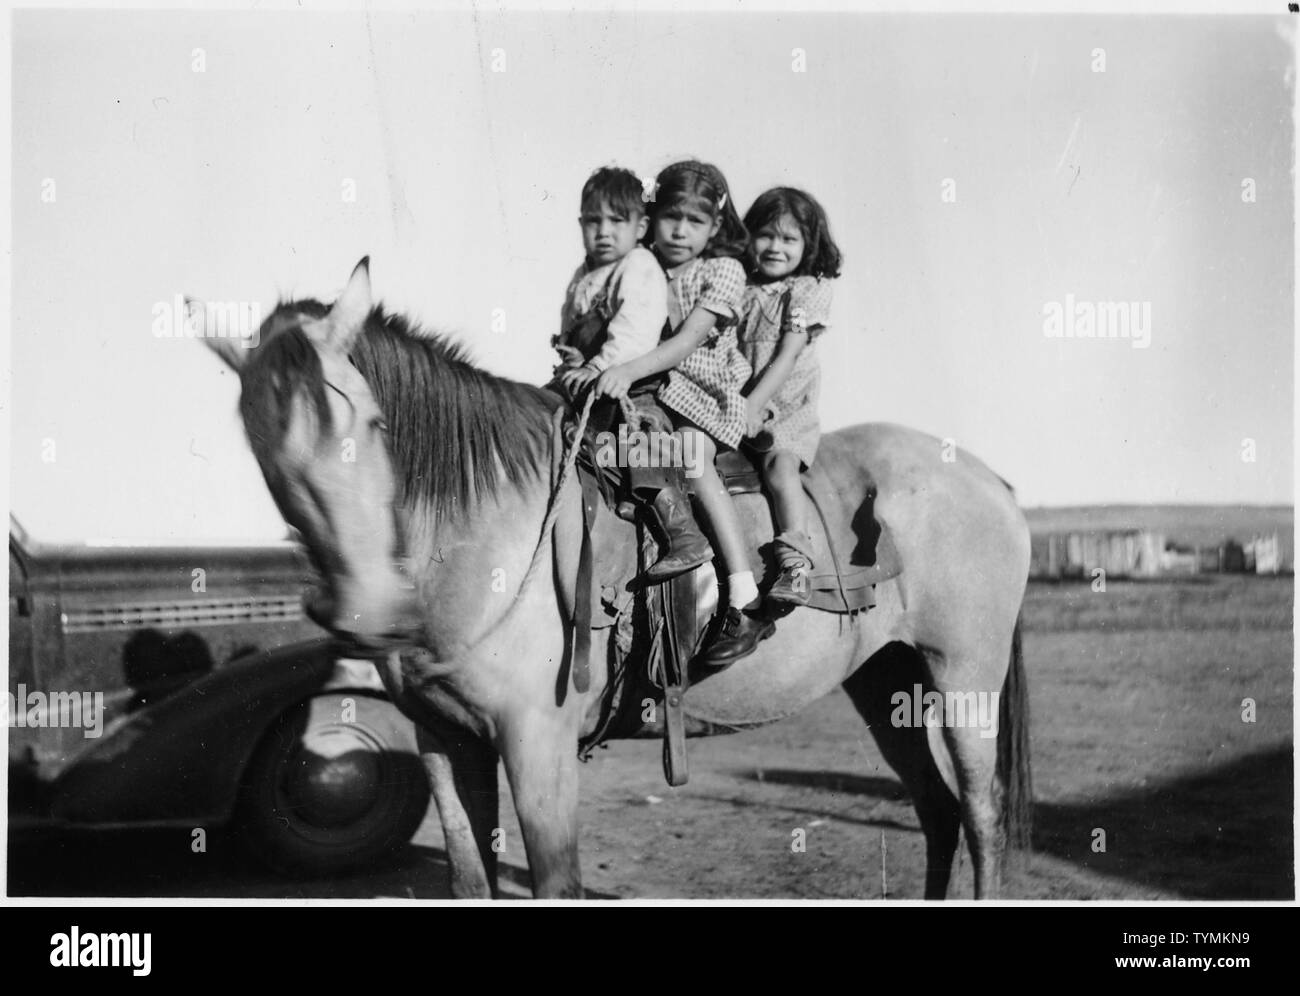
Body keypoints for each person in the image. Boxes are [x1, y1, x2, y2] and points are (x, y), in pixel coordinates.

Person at [594, 160, 772, 668]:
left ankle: (742, 592)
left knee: (694, 460)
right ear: (652, 218)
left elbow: (687, 340)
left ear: (715, 227)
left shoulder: (722, 271)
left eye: (694, 221)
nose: (679, 230)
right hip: (650, 390)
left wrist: (625, 370)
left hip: (702, 392)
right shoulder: (642, 263)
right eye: (671, 217)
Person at [551, 166, 712, 582]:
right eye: (593, 221)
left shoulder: (638, 265)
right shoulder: (583, 274)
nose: (604, 232)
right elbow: (571, 326)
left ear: (640, 227)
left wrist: (599, 365)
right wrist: (572, 361)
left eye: (616, 221)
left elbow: (635, 331)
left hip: (630, 380)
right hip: (590, 380)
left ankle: (681, 529)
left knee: (640, 432)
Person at [737, 187, 841, 606]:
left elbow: (788, 354)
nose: (775, 247)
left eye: (788, 238)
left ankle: (795, 564)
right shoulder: (742, 288)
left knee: (780, 470)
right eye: (766, 235)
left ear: (808, 244)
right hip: (739, 408)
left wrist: (753, 404)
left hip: (785, 409)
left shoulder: (806, 290)